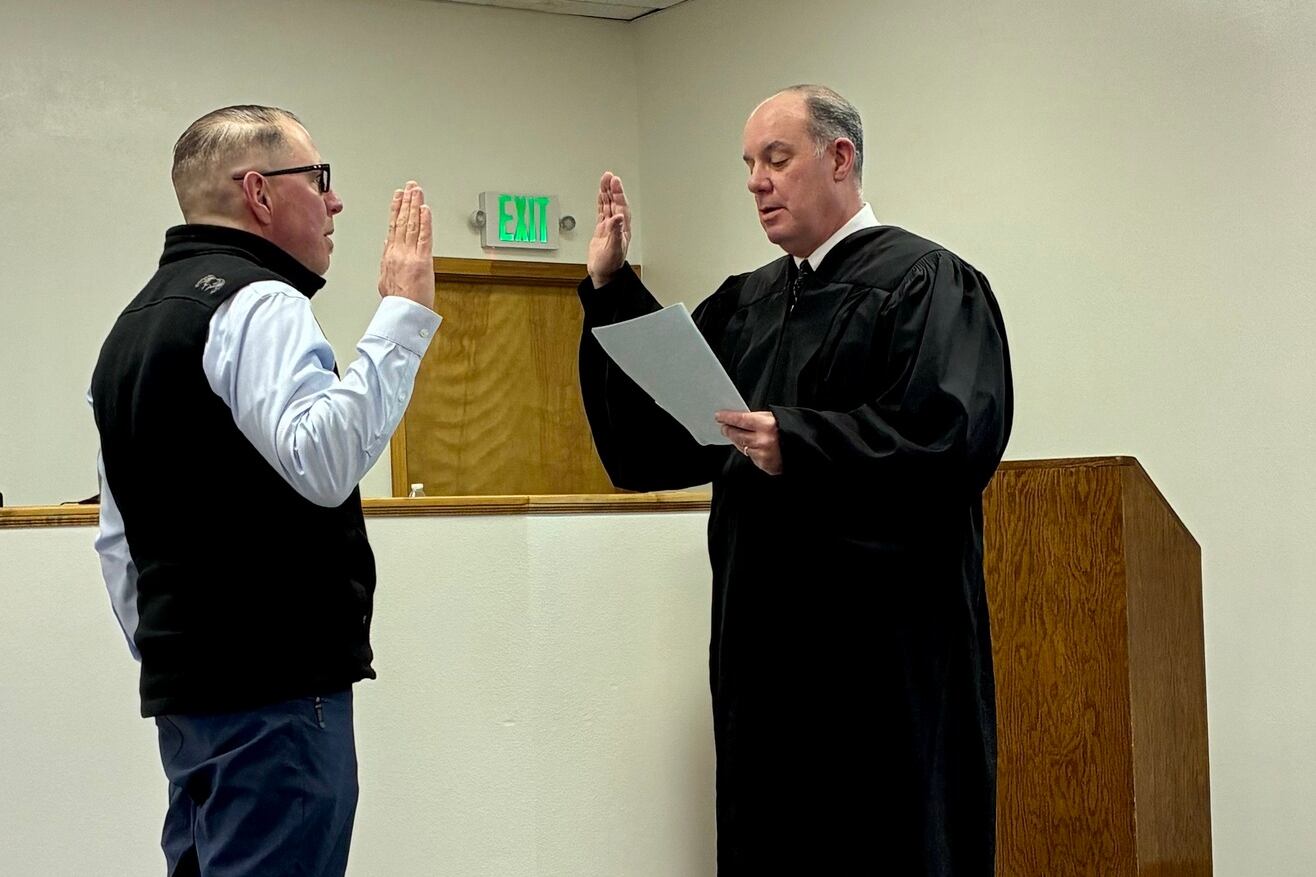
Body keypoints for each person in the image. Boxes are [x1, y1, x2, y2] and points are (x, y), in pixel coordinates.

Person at [577, 85, 1013, 874]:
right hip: (763, 654)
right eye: (748, 164)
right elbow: (660, 438)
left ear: (839, 158)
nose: (756, 181)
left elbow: (952, 436)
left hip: (881, 661)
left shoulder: (929, 284)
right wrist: (612, 294)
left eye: (776, 159)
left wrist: (799, 440)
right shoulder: (746, 303)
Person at [89, 105, 440, 876]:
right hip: (276, 698)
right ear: (258, 192)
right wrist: (404, 315)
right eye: (318, 179)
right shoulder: (259, 302)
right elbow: (322, 457)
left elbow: (118, 539)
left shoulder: (132, 328)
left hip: (191, 702)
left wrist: (179, 658)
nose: (335, 200)